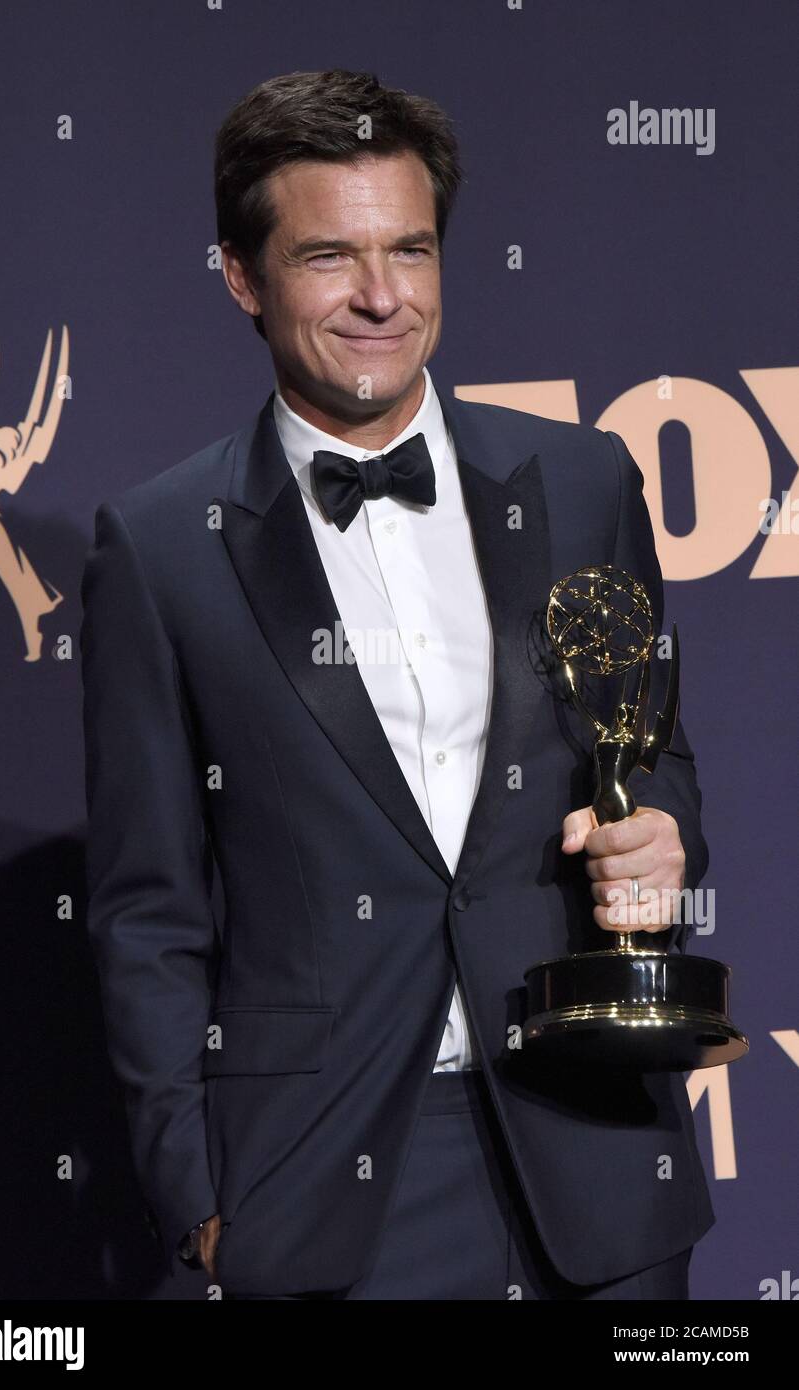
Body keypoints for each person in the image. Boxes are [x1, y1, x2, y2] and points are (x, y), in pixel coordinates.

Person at [80, 69, 714, 1300]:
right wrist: (198, 1199)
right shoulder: (161, 546)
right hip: (325, 1185)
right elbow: (145, 909)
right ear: (240, 276)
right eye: (329, 256)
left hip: (588, 1140)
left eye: (409, 250)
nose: (382, 296)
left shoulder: (581, 482)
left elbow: (656, 753)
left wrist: (662, 836)